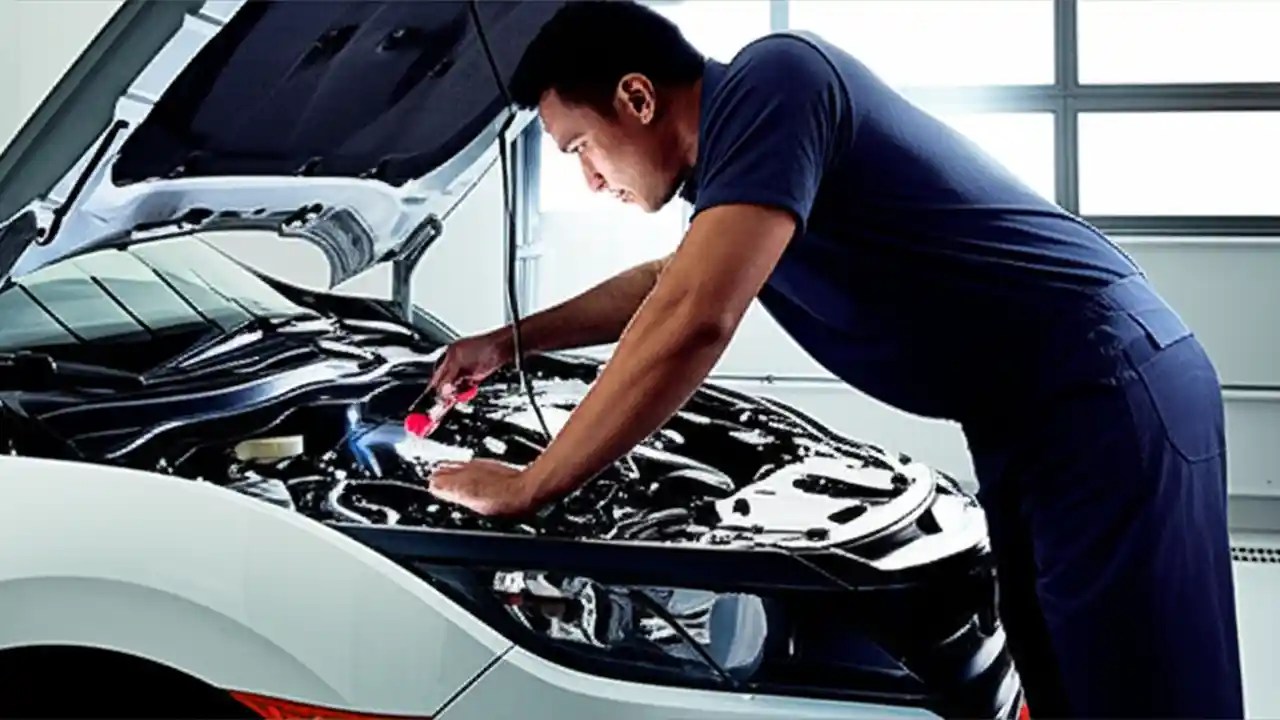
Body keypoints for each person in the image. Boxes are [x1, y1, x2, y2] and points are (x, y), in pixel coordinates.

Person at [425, 2, 1244, 717]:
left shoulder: (776, 81)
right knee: (1062, 679)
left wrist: (535, 484)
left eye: (579, 147)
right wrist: (509, 342)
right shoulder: (745, 166)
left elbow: (695, 316)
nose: (589, 179)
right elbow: (668, 285)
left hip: (1104, 384)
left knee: (1140, 692)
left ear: (637, 97)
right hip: (1034, 415)